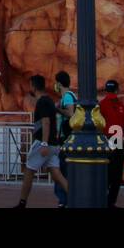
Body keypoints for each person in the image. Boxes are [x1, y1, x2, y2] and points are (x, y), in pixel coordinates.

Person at [14, 74, 68, 207]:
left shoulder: (42, 102)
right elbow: (43, 122)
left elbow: (46, 122)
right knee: (57, 174)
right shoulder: (49, 100)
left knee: (29, 171)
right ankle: (77, 199)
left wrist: (43, 143)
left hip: (44, 143)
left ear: (33, 86)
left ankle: (22, 203)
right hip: (53, 144)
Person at [98, 79, 124, 208]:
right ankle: (110, 202)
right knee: (117, 175)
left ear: (106, 90)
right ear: (117, 90)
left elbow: (98, 125)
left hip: (107, 140)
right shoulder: (121, 105)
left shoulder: (101, 104)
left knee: (105, 173)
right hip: (118, 141)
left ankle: (101, 201)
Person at [52, 70, 76, 208]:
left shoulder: (67, 96)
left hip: (66, 138)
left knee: (60, 170)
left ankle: (63, 199)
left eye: (56, 82)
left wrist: (58, 110)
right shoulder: (70, 95)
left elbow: (71, 113)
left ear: (59, 84)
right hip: (67, 137)